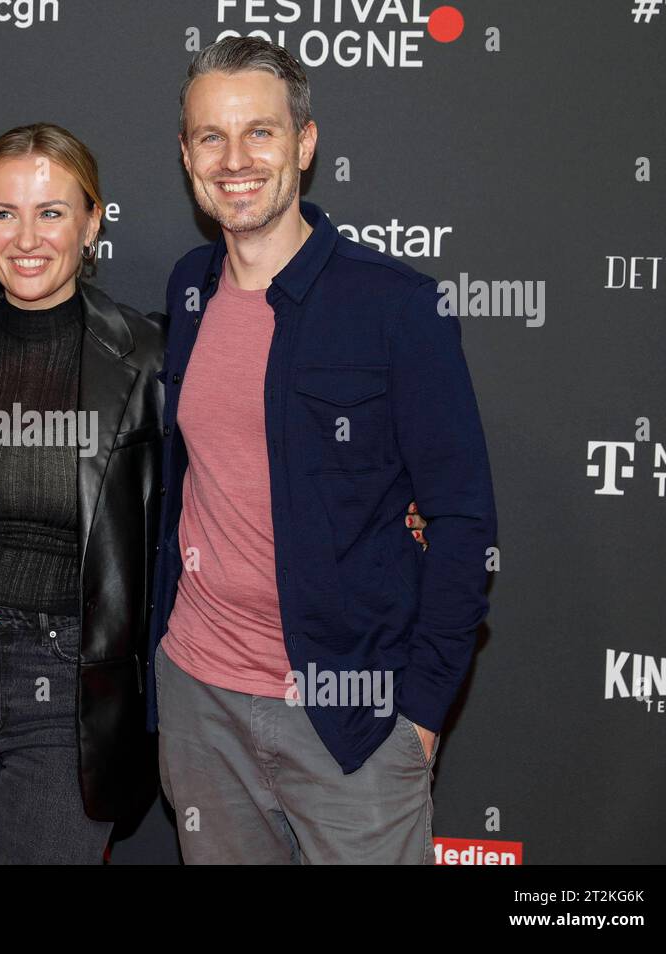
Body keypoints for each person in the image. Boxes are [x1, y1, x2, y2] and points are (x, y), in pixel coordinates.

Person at [148, 36, 497, 864]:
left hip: (353, 718)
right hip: (199, 696)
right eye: (211, 137)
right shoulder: (188, 288)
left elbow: (463, 521)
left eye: (260, 133)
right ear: (187, 155)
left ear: (304, 145)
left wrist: (420, 714)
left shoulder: (395, 307)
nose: (235, 159)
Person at [0, 123, 163, 863]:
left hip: (72, 687)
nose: (27, 238)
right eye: (3, 212)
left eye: (51, 211)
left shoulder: (147, 358)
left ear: (92, 221)